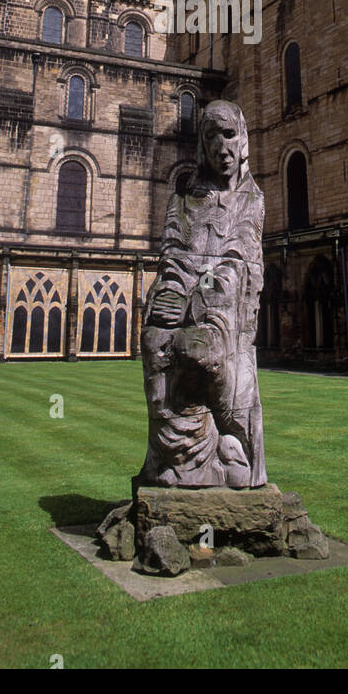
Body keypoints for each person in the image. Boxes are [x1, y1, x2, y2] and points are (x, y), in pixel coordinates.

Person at [137, 99, 267, 488]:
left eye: (229, 134)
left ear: (242, 140)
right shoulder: (182, 200)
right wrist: (170, 294)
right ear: (201, 145)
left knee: (198, 350)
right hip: (190, 303)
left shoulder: (252, 200)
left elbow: (237, 262)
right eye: (211, 136)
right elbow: (173, 255)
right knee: (154, 340)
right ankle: (177, 459)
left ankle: (222, 449)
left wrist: (198, 298)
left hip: (223, 314)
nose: (221, 146)